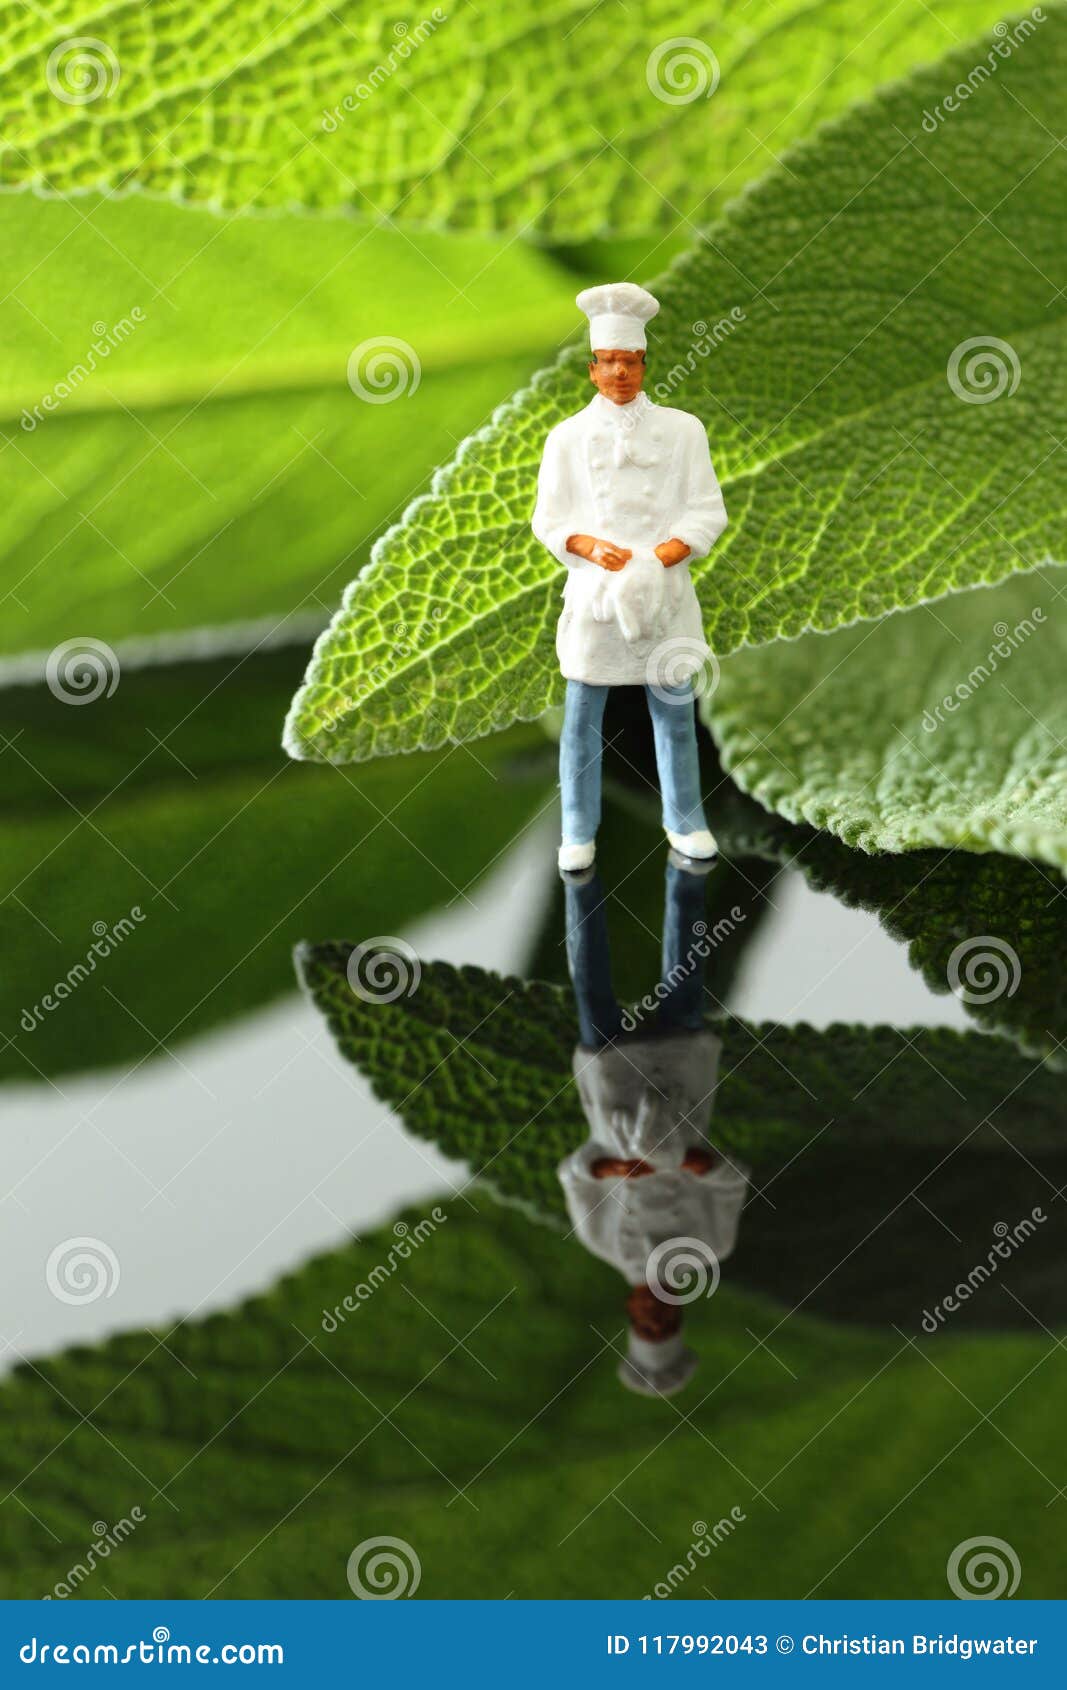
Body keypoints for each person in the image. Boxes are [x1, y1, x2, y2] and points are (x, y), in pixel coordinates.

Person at [532, 282, 729, 873]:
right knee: (581, 719)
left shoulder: (684, 430)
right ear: (594, 369)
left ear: (644, 364)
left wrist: (667, 553)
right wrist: (588, 545)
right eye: (609, 362)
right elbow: (548, 518)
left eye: (631, 362)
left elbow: (707, 510)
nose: (620, 372)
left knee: (674, 716)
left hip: (665, 596)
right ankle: (576, 831)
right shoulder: (565, 438)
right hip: (595, 599)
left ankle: (686, 822)